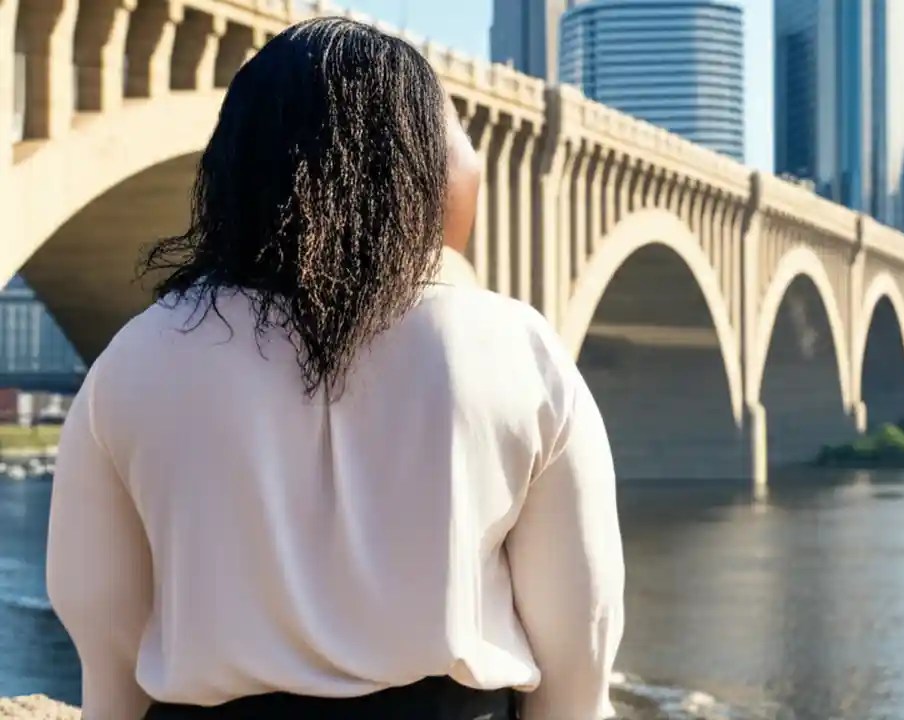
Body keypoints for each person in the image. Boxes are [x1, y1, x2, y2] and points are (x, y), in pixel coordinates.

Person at [46, 17, 624, 720]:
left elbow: (103, 632)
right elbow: (582, 635)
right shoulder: (517, 349)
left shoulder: (134, 359)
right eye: (459, 137)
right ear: (416, 165)